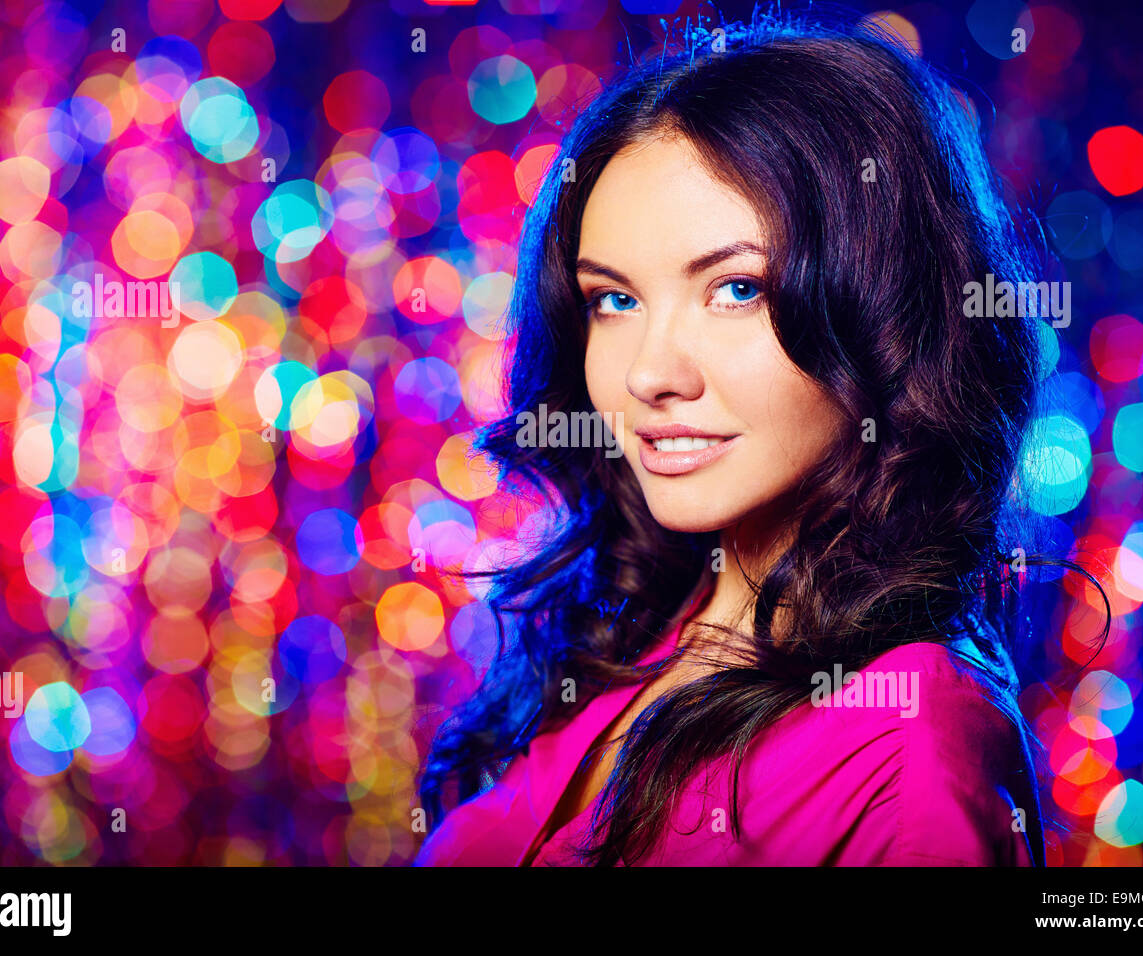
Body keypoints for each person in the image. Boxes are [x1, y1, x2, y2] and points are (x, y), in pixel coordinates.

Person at [414, 9, 1101, 866]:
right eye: (614, 300)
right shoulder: (632, 632)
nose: (648, 375)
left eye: (735, 288)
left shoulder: (907, 737)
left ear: (885, 309)